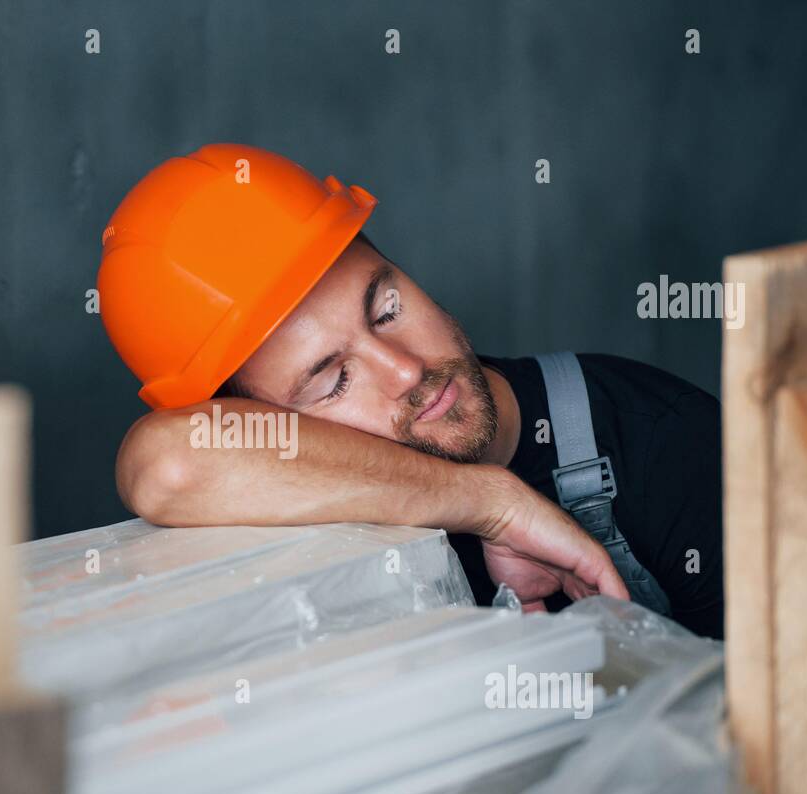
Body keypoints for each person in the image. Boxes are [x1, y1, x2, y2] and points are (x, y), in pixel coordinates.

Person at [97, 144, 723, 639]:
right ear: (245, 419)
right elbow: (171, 464)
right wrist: (492, 503)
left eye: (388, 308)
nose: (403, 372)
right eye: (335, 380)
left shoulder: (664, 439)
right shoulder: (255, 498)